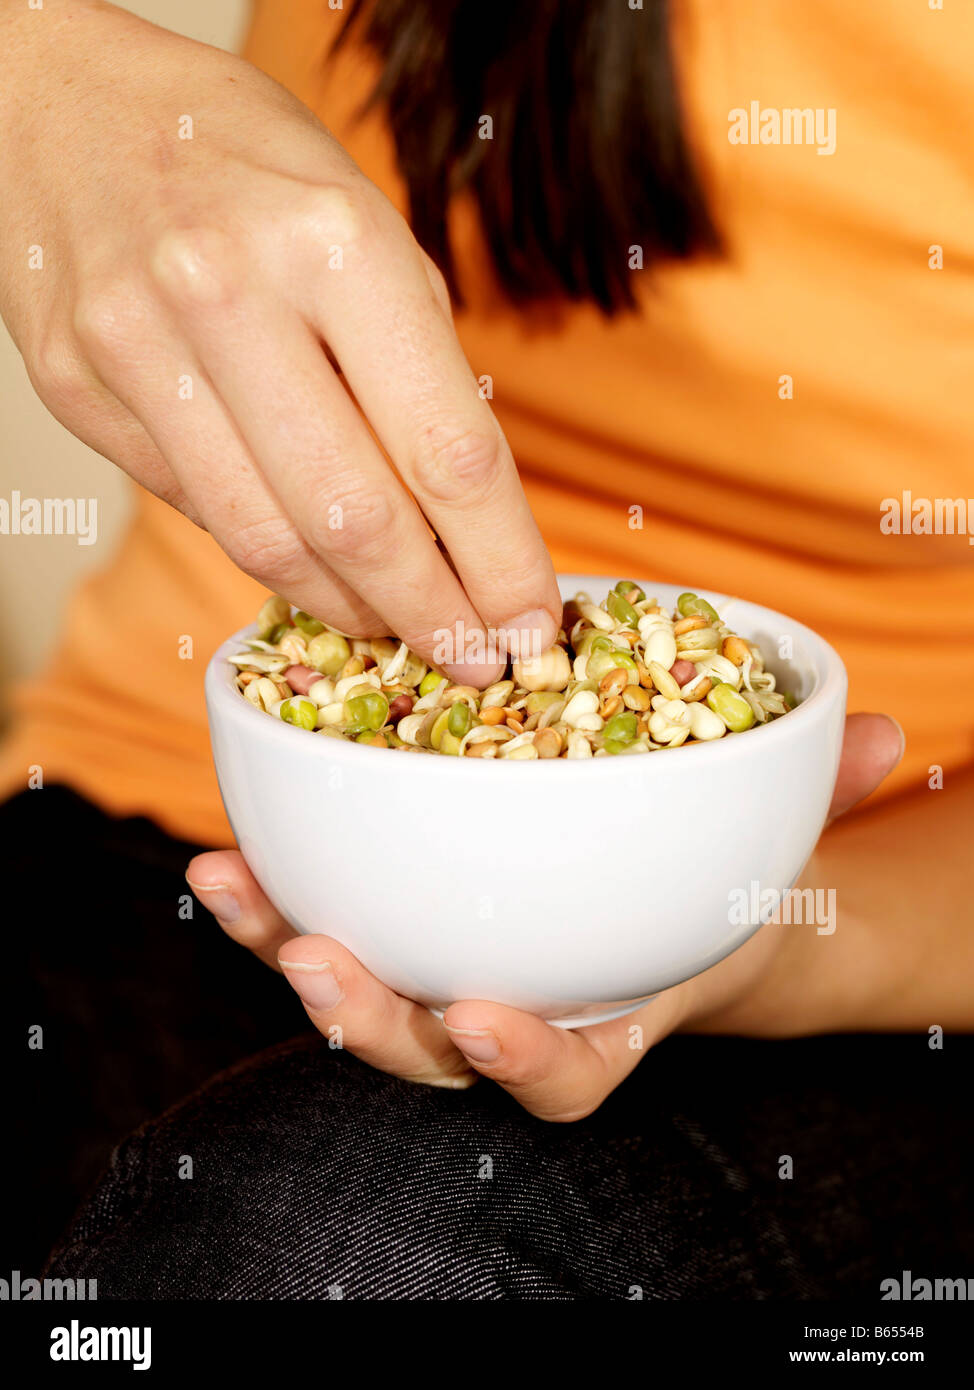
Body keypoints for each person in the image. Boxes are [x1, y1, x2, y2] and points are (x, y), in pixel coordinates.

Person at [1, 0, 972, 1294]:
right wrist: (33, 76)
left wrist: (766, 926)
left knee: (350, 1241)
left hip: (879, 943)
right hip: (195, 822)